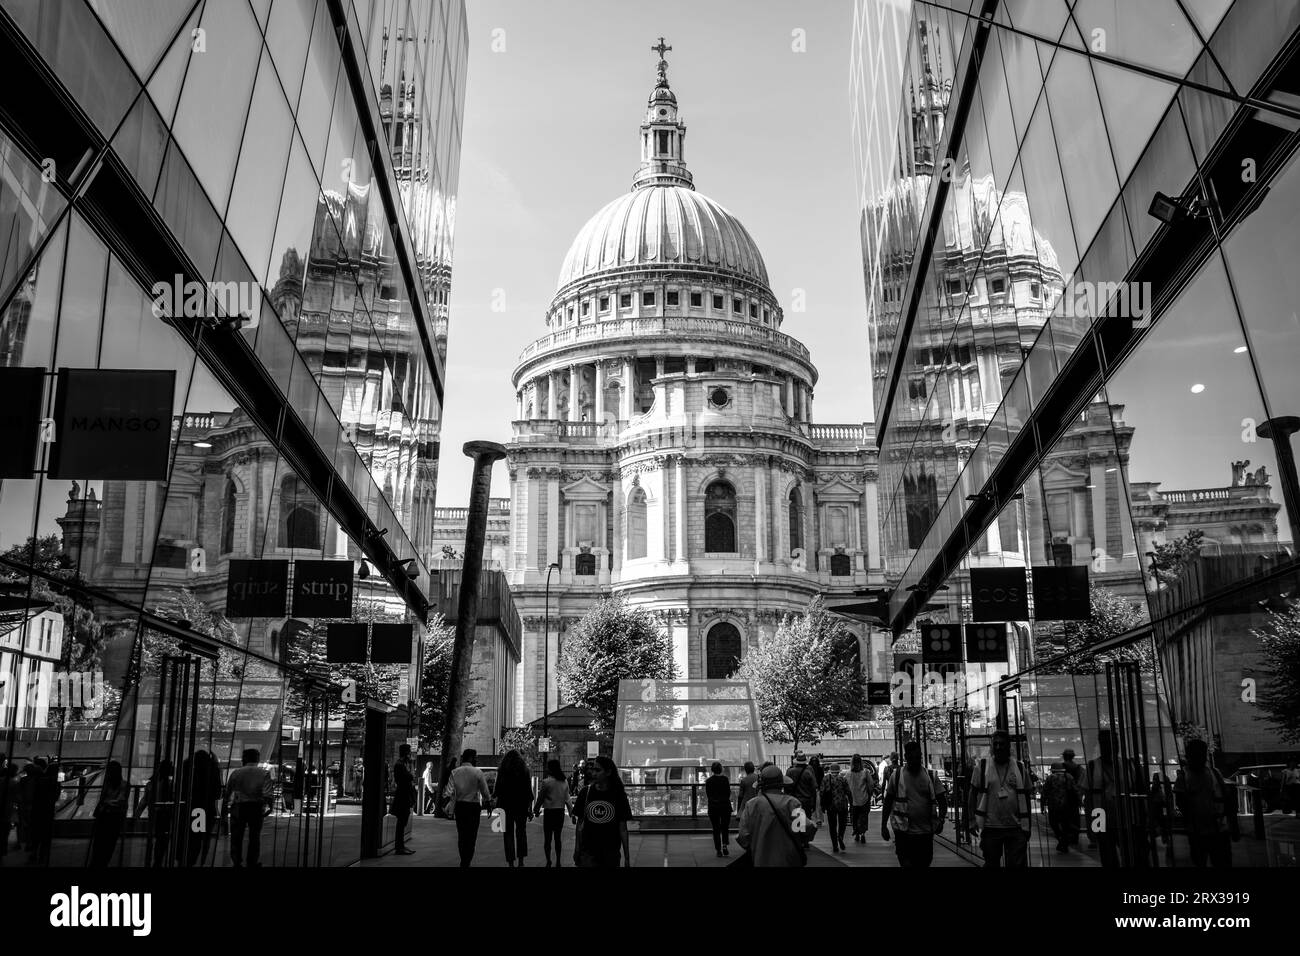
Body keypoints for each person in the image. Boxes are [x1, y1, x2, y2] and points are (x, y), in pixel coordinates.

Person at [968, 730, 1033, 868]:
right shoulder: (983, 766)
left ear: (1008, 746)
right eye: (995, 744)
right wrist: (971, 820)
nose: (998, 747)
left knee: (1017, 864)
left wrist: (1028, 826)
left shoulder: (1020, 768)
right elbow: (972, 794)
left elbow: (1026, 797)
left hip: (1016, 828)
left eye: (1002, 744)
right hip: (991, 827)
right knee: (991, 863)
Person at [1085, 730, 1150, 868]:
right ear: (1101, 745)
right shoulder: (1092, 766)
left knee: (1130, 854)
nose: (1110, 746)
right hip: (1101, 815)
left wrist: (1144, 818)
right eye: (1106, 743)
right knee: (1108, 857)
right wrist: (1092, 826)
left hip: (1127, 814)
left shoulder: (1128, 764)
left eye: (1113, 743)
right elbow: (1088, 798)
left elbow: (1139, 792)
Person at [881, 741, 948, 868]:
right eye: (911, 758)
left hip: (925, 833)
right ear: (906, 757)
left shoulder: (931, 776)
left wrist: (941, 820)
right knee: (906, 862)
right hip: (903, 832)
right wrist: (883, 826)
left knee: (924, 862)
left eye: (917, 757)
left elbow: (942, 800)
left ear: (921, 756)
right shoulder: (897, 776)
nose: (915, 761)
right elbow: (888, 801)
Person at [1173, 739, 1238, 867]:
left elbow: (1227, 800)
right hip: (1201, 831)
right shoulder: (1185, 776)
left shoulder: (1213, 773)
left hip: (1216, 830)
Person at [736, 764, 806, 867]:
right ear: (782, 783)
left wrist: (755, 845)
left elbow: (743, 835)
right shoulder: (793, 803)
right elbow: (803, 829)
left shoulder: (751, 805)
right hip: (789, 859)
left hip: (761, 860)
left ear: (761, 785)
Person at [573, 756, 632, 867]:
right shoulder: (585, 793)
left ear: (608, 772)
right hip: (588, 852)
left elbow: (623, 828)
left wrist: (627, 857)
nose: (593, 773)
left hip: (610, 852)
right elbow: (580, 824)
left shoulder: (618, 795)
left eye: (598, 770)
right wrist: (577, 848)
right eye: (593, 769)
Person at [224, 748, 273, 868]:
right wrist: (269, 807)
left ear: (244, 759)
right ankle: (252, 862)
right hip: (256, 807)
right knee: (254, 837)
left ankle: (237, 861)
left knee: (236, 836)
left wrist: (225, 806)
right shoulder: (264, 773)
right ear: (257, 759)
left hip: (239, 807)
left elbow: (228, 792)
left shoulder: (236, 773)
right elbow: (267, 794)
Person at [448, 748, 491, 867]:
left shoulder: (455, 772)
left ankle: (463, 859)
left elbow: (450, 791)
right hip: (473, 807)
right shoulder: (477, 772)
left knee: (461, 835)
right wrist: (488, 803)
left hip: (460, 807)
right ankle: (468, 860)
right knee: (472, 835)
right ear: (471, 758)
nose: (476, 759)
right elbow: (485, 791)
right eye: (475, 757)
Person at [495, 749, 534, 867]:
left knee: (507, 834)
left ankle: (511, 862)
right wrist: (529, 809)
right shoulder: (524, 770)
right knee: (521, 832)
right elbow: (528, 791)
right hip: (521, 806)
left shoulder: (502, 771)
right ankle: (521, 861)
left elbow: (497, 790)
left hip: (505, 806)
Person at [89, 761, 128, 867]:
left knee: (100, 845)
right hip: (113, 818)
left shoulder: (108, 784)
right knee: (108, 846)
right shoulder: (123, 784)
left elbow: (114, 801)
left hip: (105, 817)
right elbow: (120, 801)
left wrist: (106, 803)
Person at [534, 759, 571, 867]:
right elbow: (567, 799)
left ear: (550, 769)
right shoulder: (564, 781)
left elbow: (540, 798)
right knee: (558, 838)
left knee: (548, 839)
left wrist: (536, 810)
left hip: (549, 812)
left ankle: (548, 860)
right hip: (560, 812)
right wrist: (571, 813)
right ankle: (558, 860)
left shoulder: (546, 782)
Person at [141, 759, 176, 867]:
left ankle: (153, 859)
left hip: (155, 814)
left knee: (155, 838)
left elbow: (144, 800)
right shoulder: (171, 784)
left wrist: (137, 814)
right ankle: (158, 859)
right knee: (162, 839)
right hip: (164, 815)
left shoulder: (152, 784)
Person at [1042, 761, 1080, 853]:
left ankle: (1061, 839)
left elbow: (1044, 792)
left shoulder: (1050, 778)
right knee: (1066, 825)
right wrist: (1078, 803)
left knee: (1054, 824)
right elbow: (1075, 791)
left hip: (1053, 806)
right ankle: (1064, 841)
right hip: (1067, 806)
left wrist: (1042, 805)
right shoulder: (1069, 777)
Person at [784, 751, 820, 841]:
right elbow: (814, 788)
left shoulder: (790, 772)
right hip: (806, 800)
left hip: (793, 800)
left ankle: (797, 839)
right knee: (805, 821)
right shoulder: (808, 772)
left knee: (796, 821)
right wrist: (813, 803)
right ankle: (805, 840)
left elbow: (786, 787)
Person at [390, 744, 416, 855]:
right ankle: (399, 847)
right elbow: (409, 777)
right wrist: (410, 770)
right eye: (409, 752)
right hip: (402, 796)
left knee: (403, 822)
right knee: (401, 822)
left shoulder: (402, 764)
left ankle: (401, 846)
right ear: (405, 752)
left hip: (404, 795)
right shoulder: (400, 765)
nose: (410, 754)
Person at [704, 762, 733, 858]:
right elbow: (728, 794)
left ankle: (718, 850)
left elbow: (708, 795)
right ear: (721, 769)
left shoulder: (708, 781)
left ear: (712, 770)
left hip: (713, 807)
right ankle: (725, 845)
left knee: (716, 829)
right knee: (725, 827)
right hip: (725, 806)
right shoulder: (725, 780)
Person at [821, 762, 851, 853]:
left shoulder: (826, 779)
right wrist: (851, 802)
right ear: (839, 770)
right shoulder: (843, 779)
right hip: (842, 805)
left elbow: (822, 792)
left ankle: (835, 845)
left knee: (832, 826)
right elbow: (848, 792)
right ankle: (840, 836)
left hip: (831, 806)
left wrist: (822, 805)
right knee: (842, 824)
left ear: (830, 770)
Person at [848, 755, 875, 844]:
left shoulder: (848, 773)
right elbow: (871, 785)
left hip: (853, 800)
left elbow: (846, 786)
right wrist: (870, 794)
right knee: (863, 817)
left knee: (854, 817)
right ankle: (862, 834)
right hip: (864, 798)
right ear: (861, 762)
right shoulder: (865, 772)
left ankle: (856, 833)